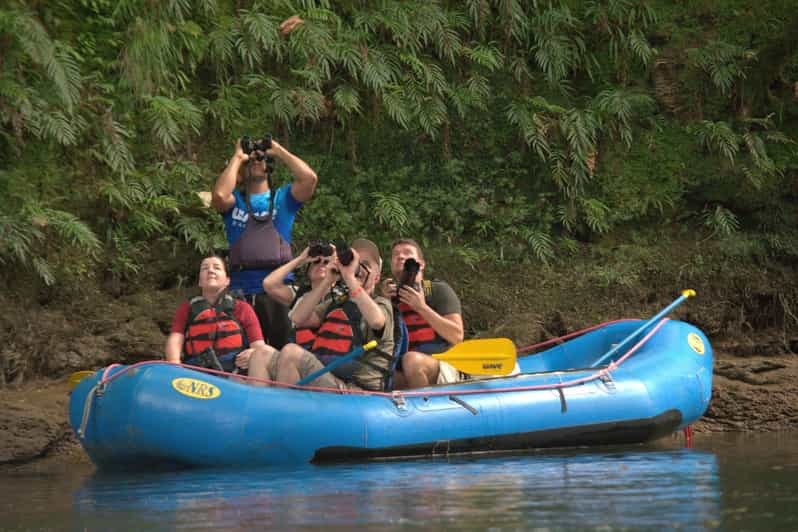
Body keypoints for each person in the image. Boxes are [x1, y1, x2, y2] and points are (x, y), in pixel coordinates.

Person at [211, 136, 318, 350]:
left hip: (278, 289)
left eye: (260, 160)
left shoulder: (283, 199)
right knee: (242, 352)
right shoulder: (235, 202)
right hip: (242, 290)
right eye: (251, 162)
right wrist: (238, 157)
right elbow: (219, 196)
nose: (256, 162)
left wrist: (277, 150)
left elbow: (309, 179)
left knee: (282, 350)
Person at [248, 239, 395, 391]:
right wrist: (327, 280)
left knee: (292, 353)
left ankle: (285, 412)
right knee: (261, 354)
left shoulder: (381, 304)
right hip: (326, 377)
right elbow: (298, 318)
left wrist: (350, 279)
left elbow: (377, 322)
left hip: (356, 390)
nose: (359, 268)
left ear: (377, 277)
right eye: (356, 263)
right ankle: (259, 413)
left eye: (366, 264)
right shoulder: (337, 301)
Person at [165, 255, 276, 373]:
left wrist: (252, 354)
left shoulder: (242, 308)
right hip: (196, 374)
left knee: (263, 355)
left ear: (227, 280)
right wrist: (175, 365)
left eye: (217, 268)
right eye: (205, 268)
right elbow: (175, 339)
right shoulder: (186, 308)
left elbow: (258, 346)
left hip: (235, 373)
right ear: (199, 281)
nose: (211, 270)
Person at [380, 239, 465, 388]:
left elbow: (457, 336)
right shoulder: (387, 296)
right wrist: (385, 304)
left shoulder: (437, 290)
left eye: (407, 253)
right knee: (374, 374)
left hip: (441, 365)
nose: (400, 257)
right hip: (403, 370)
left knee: (412, 360)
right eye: (396, 255)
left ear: (421, 264)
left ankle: (425, 405)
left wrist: (421, 307)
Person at [262, 245, 332, 350]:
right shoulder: (299, 294)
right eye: (316, 262)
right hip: (298, 355)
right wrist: (301, 259)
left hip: (328, 354)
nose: (321, 265)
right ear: (308, 271)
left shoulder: (341, 295)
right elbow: (269, 284)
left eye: (326, 262)